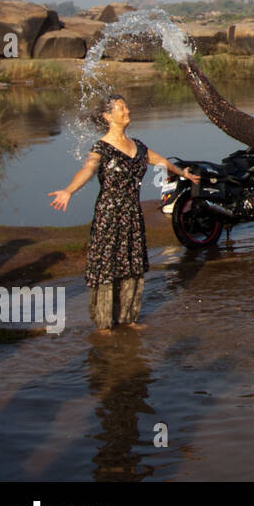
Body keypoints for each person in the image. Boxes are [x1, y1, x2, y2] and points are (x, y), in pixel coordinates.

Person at [49, 94, 198, 334]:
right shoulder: (101, 147)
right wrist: (68, 191)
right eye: (121, 108)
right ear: (108, 116)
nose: (127, 110)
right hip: (108, 216)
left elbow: (159, 160)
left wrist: (182, 173)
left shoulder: (137, 146)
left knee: (133, 264)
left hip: (132, 215)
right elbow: (87, 170)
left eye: (126, 106)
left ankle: (129, 318)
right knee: (106, 267)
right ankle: (104, 324)